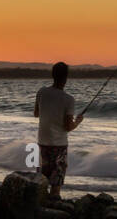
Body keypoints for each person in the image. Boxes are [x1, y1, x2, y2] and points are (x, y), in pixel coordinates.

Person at [34, 61, 84, 198]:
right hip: (59, 147)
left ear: (53, 75)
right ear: (66, 77)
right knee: (55, 188)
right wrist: (78, 122)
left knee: (41, 184)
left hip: (42, 143)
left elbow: (36, 113)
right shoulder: (68, 100)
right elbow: (68, 127)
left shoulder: (41, 92)